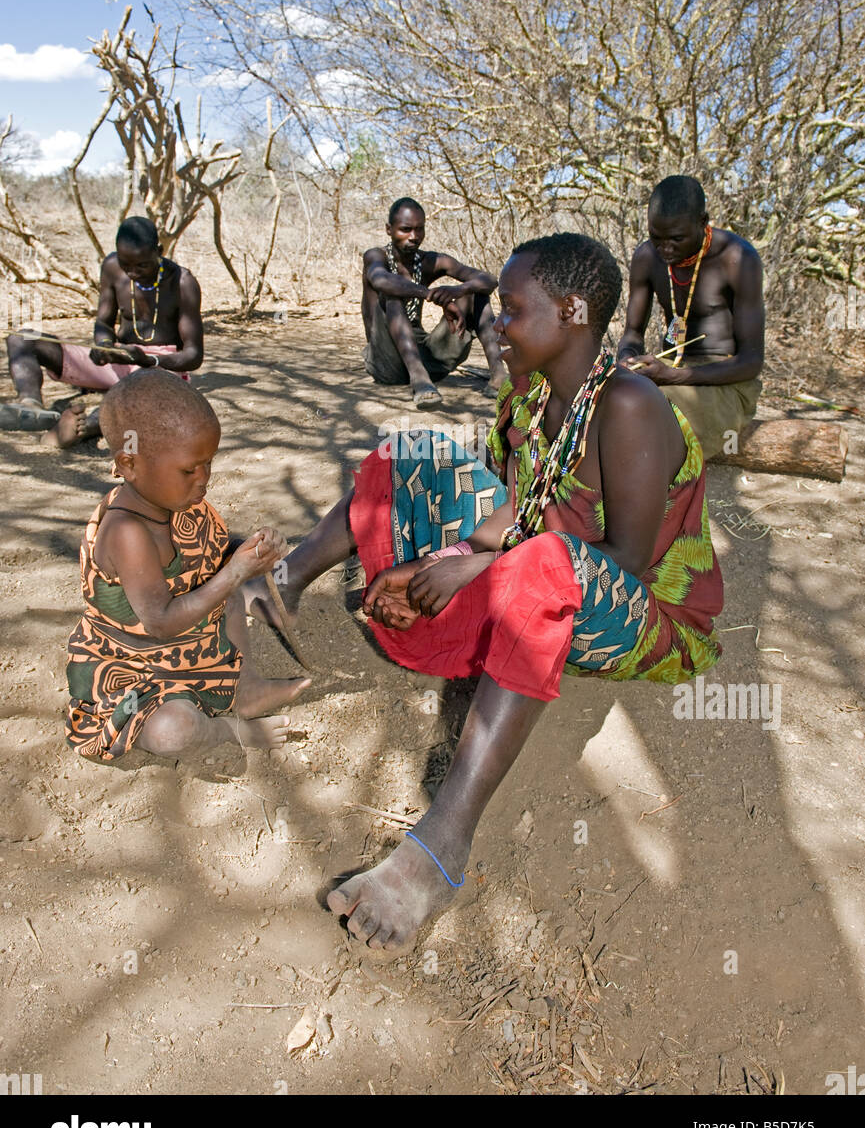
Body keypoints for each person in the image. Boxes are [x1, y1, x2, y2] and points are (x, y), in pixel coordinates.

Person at [247, 232, 723, 952]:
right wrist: (455, 554)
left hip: (648, 620)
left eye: (510, 309)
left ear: (569, 312)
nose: (495, 323)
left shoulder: (627, 404)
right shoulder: (532, 397)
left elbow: (622, 556)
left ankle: (442, 844)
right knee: (407, 451)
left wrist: (476, 570)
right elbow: (522, 505)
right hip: (553, 565)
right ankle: (278, 583)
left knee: (541, 565)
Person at [66, 369, 309, 762]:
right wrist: (234, 574)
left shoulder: (177, 504)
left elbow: (210, 554)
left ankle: (244, 688)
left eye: (208, 463)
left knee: (222, 593)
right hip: (132, 670)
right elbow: (160, 620)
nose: (204, 480)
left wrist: (247, 551)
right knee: (171, 731)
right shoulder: (128, 531)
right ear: (129, 464)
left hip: (189, 653)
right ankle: (228, 730)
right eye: (189, 470)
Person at [1, 216, 203, 448]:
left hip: (159, 367)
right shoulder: (112, 267)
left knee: (145, 387)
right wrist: (104, 345)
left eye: (142, 266)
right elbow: (104, 323)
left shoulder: (183, 282)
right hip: (118, 359)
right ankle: (30, 407)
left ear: (159, 250)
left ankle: (86, 425)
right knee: (22, 339)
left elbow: (194, 355)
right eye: (127, 265)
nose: (133, 273)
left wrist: (149, 359)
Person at [616, 175, 764, 458]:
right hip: (670, 367)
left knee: (656, 412)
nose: (665, 248)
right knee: (609, 398)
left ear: (703, 221)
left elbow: (751, 362)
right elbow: (633, 334)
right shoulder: (647, 257)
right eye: (656, 237)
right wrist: (628, 360)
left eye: (677, 238)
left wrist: (674, 376)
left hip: (726, 380)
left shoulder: (737, 259)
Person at [362, 197, 507, 408]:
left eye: (419, 229)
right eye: (405, 229)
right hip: (385, 362)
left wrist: (459, 290)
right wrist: (433, 296)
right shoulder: (375, 256)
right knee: (391, 296)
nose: (413, 237)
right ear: (388, 229)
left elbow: (489, 280)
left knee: (477, 292)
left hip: (428, 357)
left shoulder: (430, 261)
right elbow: (382, 280)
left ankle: (498, 377)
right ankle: (419, 380)